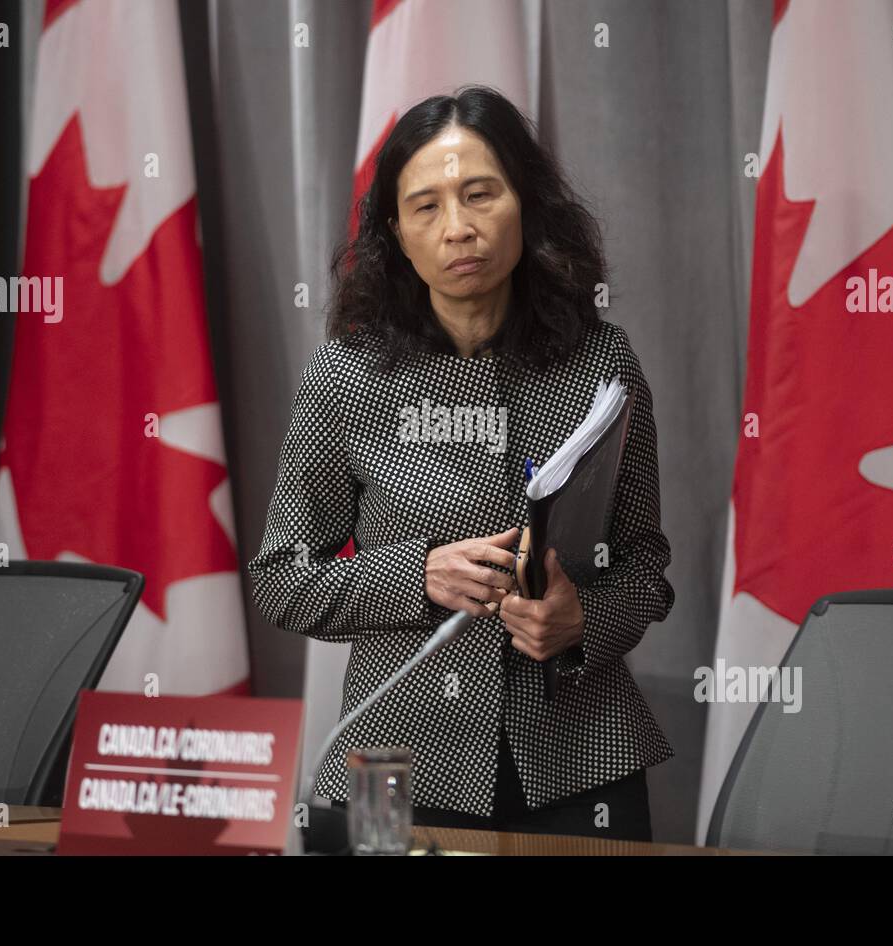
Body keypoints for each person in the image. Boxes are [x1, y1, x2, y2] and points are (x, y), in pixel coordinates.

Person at [247, 85, 674, 842]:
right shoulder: (346, 375)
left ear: (526, 204)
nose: (459, 229)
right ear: (396, 232)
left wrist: (585, 620)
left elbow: (644, 562)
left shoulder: (602, 362)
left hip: (584, 757)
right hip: (391, 762)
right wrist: (418, 576)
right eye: (426, 208)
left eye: (481, 194)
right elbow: (282, 579)